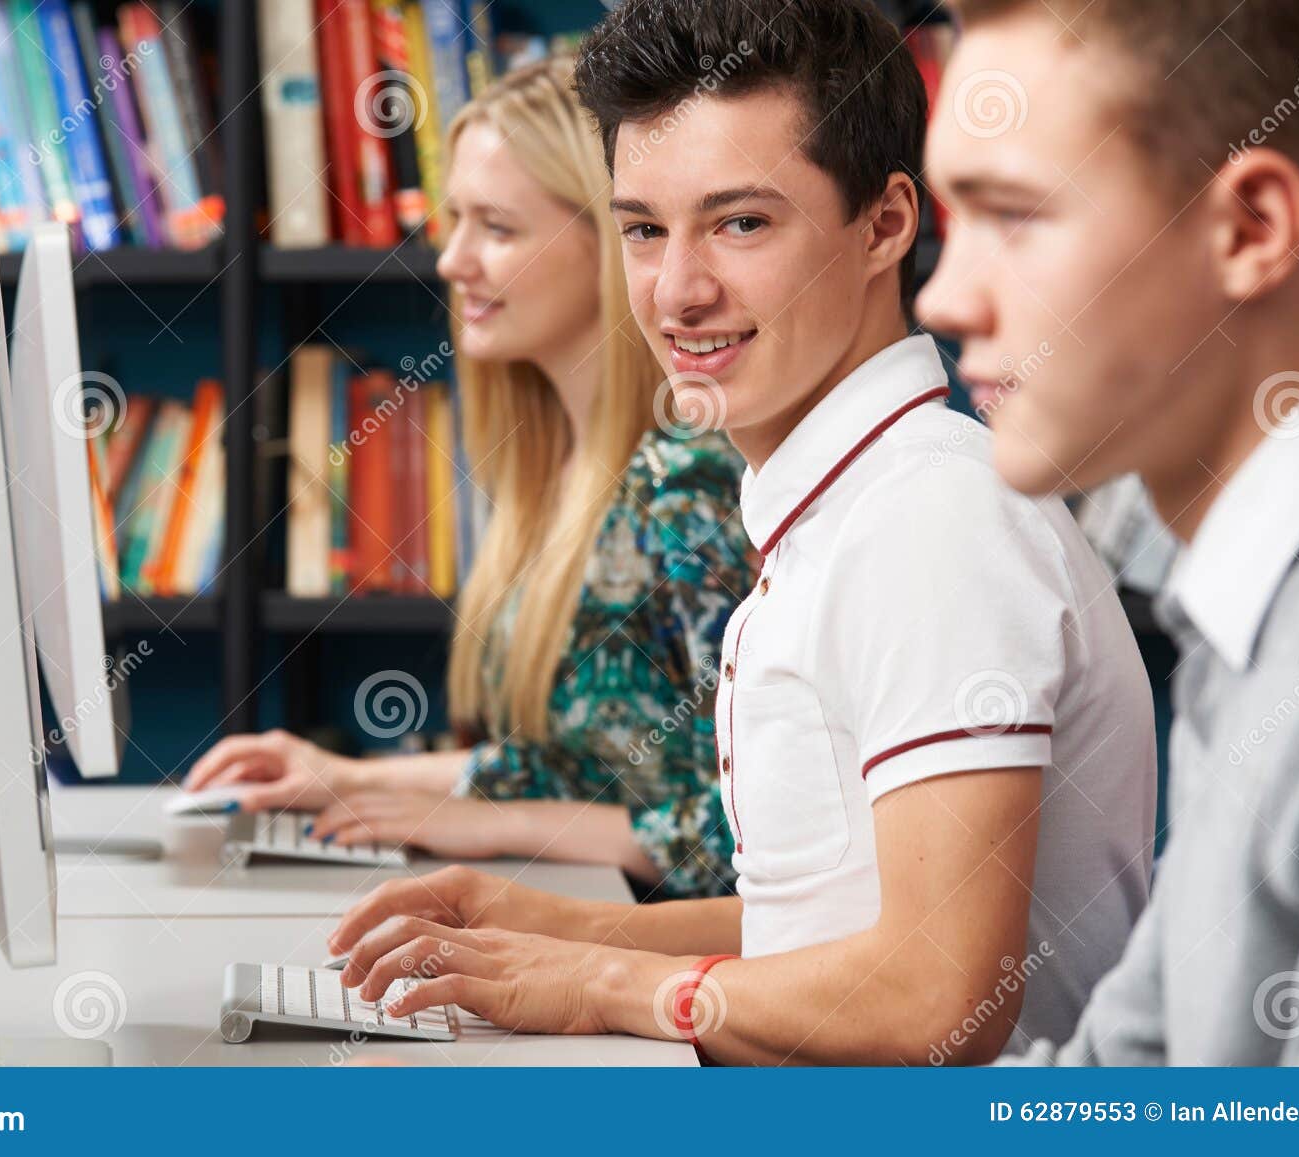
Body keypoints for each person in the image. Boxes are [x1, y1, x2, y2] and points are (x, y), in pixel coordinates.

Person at [322, 0, 1158, 1065]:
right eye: (643, 230)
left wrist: (604, 981)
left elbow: (937, 997)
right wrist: (560, 926)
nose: (678, 292)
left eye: (741, 223)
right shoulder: (842, 505)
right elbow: (824, 928)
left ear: (885, 225)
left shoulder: (929, 518)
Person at [185, 58, 752, 899]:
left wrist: (493, 825)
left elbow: (756, 825)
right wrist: (346, 775)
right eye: (456, 221)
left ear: (613, 243)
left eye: (498, 227)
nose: (452, 261)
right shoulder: (560, 468)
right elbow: (574, 764)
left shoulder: (689, 482)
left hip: (665, 959)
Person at [919, 0, 1299, 1064]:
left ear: (1250, 229)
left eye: (1012, 215)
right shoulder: (1251, 614)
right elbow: (1124, 1086)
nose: (943, 299)